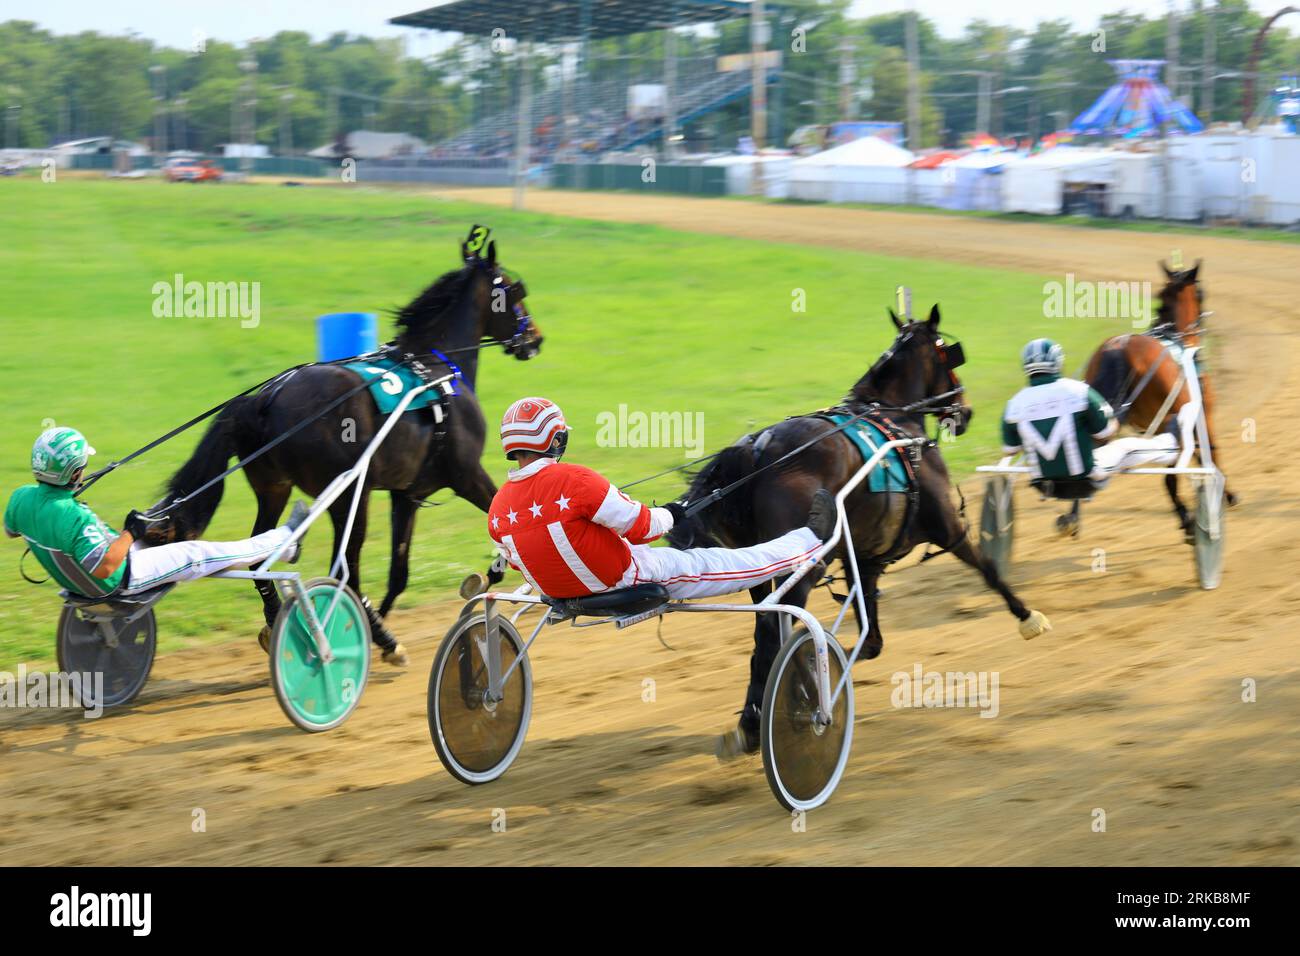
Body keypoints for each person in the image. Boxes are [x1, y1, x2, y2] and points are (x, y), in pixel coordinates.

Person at [486, 398, 836, 602]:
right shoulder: (575, 480)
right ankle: (808, 541)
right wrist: (672, 513)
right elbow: (642, 528)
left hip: (563, 592)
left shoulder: (498, 506)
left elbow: (520, 561)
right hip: (629, 578)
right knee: (723, 561)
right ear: (557, 439)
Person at [4, 426, 309, 600]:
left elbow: (12, 530)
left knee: (162, 522)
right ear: (73, 473)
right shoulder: (74, 518)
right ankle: (285, 542)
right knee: (196, 554)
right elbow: (106, 566)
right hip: (120, 578)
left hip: (78, 582)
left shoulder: (20, 498)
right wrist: (131, 532)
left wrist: (57, 503)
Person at [1002, 339, 1188, 487]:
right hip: (1087, 474)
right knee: (1126, 446)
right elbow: (1106, 432)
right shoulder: (1079, 391)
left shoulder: (1014, 403)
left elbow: (1010, 449)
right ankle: (1170, 446)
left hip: (1040, 479)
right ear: (1057, 362)